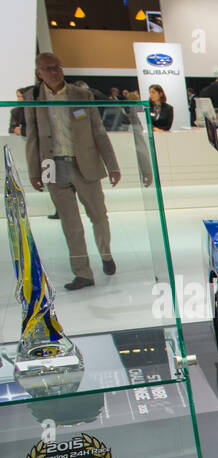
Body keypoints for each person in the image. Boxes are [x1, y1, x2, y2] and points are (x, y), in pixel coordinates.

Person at [24, 53, 120, 290]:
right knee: (70, 223)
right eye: (48, 68)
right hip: (53, 166)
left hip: (85, 163)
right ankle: (83, 273)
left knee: (98, 216)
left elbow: (99, 132)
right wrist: (34, 171)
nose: (54, 72)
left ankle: (105, 254)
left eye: (57, 67)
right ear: (39, 72)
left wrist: (112, 164)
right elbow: (32, 137)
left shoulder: (81, 95)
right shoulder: (33, 98)